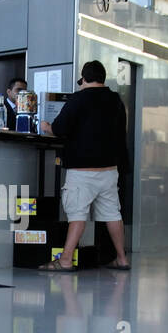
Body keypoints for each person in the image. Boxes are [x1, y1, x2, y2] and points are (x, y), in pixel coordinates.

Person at [38, 60, 131, 272]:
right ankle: (122, 258)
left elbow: (60, 128)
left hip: (82, 171)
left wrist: (47, 126)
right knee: (112, 214)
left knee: (77, 215)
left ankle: (65, 260)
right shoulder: (116, 100)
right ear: (103, 78)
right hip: (109, 170)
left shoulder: (78, 99)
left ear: (85, 78)